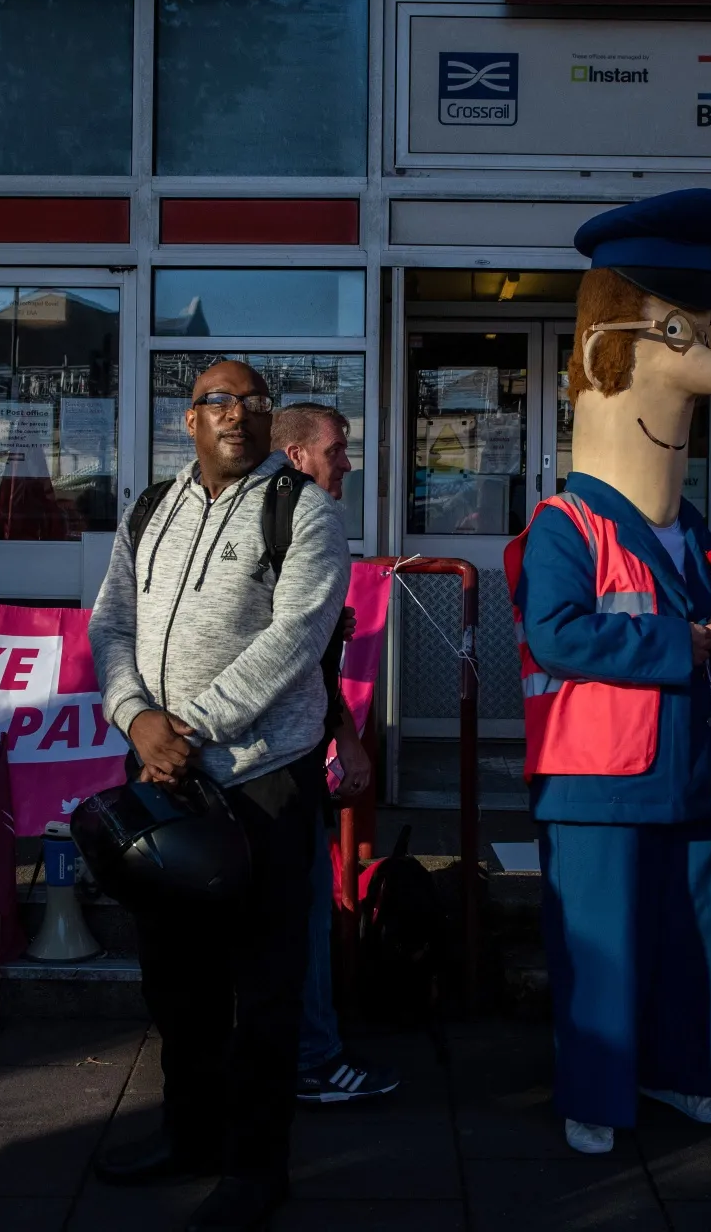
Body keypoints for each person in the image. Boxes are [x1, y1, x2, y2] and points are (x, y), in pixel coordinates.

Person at [507, 189, 711, 1156]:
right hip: (599, 779)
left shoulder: (689, 527)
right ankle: (595, 1094)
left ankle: (685, 1071)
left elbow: (698, 627)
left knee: (692, 939)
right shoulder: (565, 526)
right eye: (678, 331)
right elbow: (559, 636)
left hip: (691, 769)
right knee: (604, 951)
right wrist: (685, 647)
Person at [88, 360, 349, 1231]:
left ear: (273, 423)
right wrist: (134, 718)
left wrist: (187, 728)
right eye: (220, 403)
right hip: (159, 769)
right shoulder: (149, 508)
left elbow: (296, 640)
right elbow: (110, 622)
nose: (239, 416)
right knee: (176, 977)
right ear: (189, 419)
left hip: (261, 779)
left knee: (264, 984)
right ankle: (188, 1133)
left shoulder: (303, 510)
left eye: (255, 404)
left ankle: (255, 1166)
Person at [270, 402, 400, 1105]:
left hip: (261, 756)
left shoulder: (259, 522)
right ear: (296, 456)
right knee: (307, 910)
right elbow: (298, 658)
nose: (347, 461)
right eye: (336, 448)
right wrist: (345, 737)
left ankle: (282, 1053)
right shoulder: (307, 527)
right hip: (281, 763)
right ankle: (313, 1058)